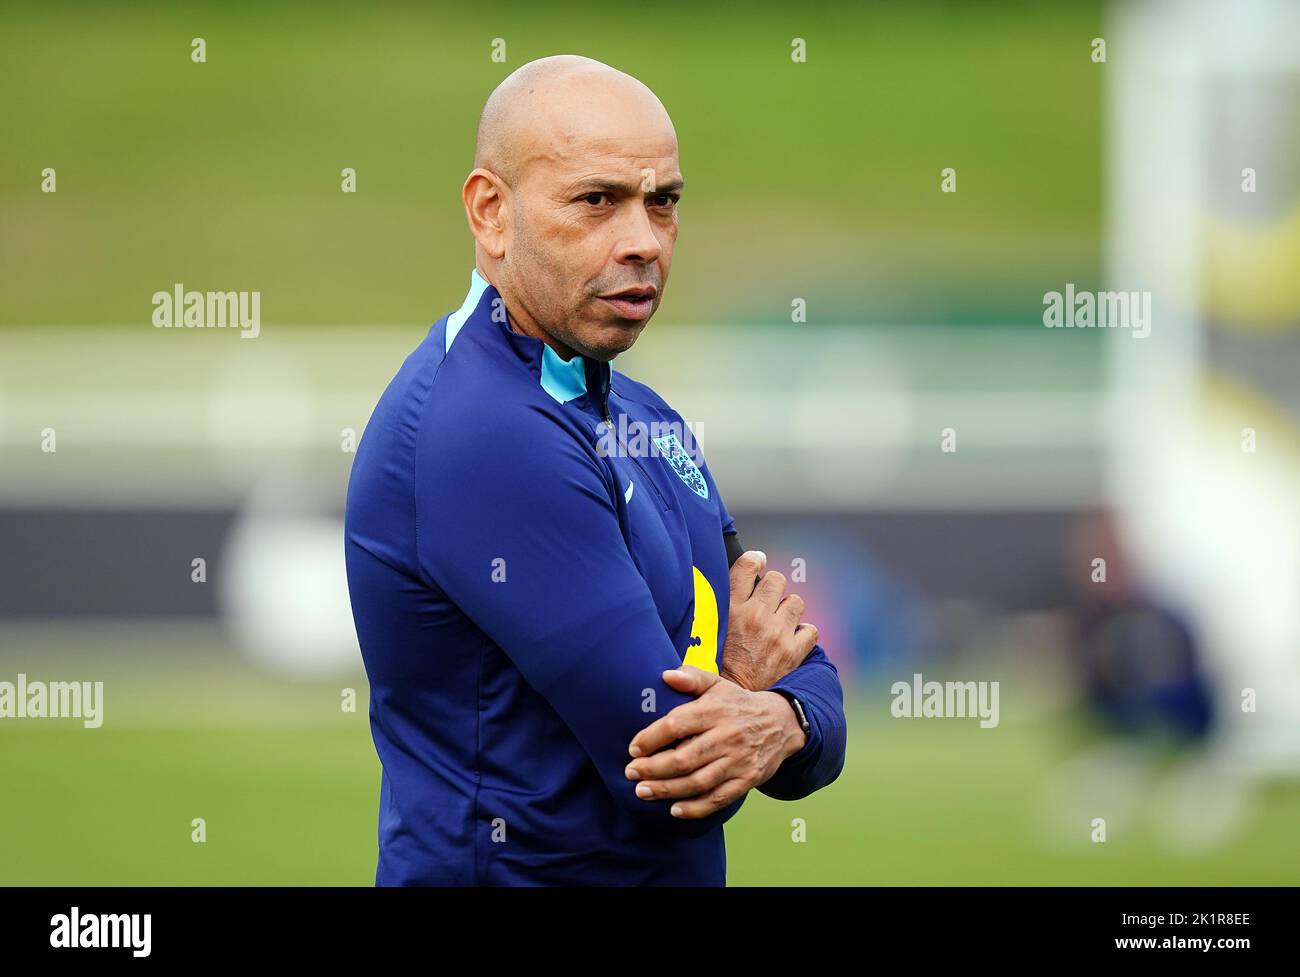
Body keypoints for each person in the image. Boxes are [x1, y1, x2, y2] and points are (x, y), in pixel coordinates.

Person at [345, 54, 846, 885]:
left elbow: (805, 672)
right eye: (597, 200)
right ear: (491, 213)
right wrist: (754, 696)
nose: (643, 241)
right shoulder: (485, 433)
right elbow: (670, 771)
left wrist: (779, 718)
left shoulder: (646, 417)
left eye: (664, 202)